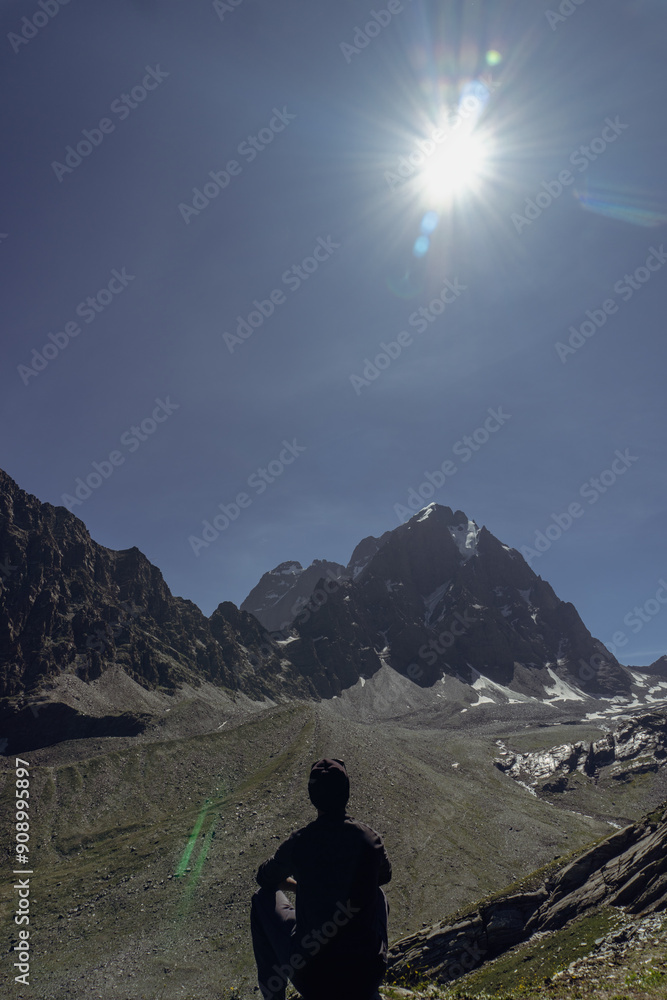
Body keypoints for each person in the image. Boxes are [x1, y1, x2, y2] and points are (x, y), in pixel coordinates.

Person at [250, 758, 391, 1000]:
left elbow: (264, 878)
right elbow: (384, 876)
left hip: (314, 980)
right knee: (377, 896)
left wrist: (301, 885)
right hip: (367, 976)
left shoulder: (300, 842)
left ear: (312, 796)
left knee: (262, 899)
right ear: (346, 792)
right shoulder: (370, 839)